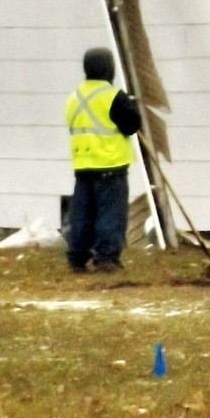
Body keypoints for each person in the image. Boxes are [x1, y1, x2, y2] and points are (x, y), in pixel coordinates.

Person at [64, 47, 141, 272]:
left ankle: (76, 258)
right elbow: (132, 124)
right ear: (110, 67)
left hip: (82, 166)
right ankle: (107, 258)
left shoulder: (74, 97)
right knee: (110, 216)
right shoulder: (113, 95)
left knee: (82, 216)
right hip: (110, 166)